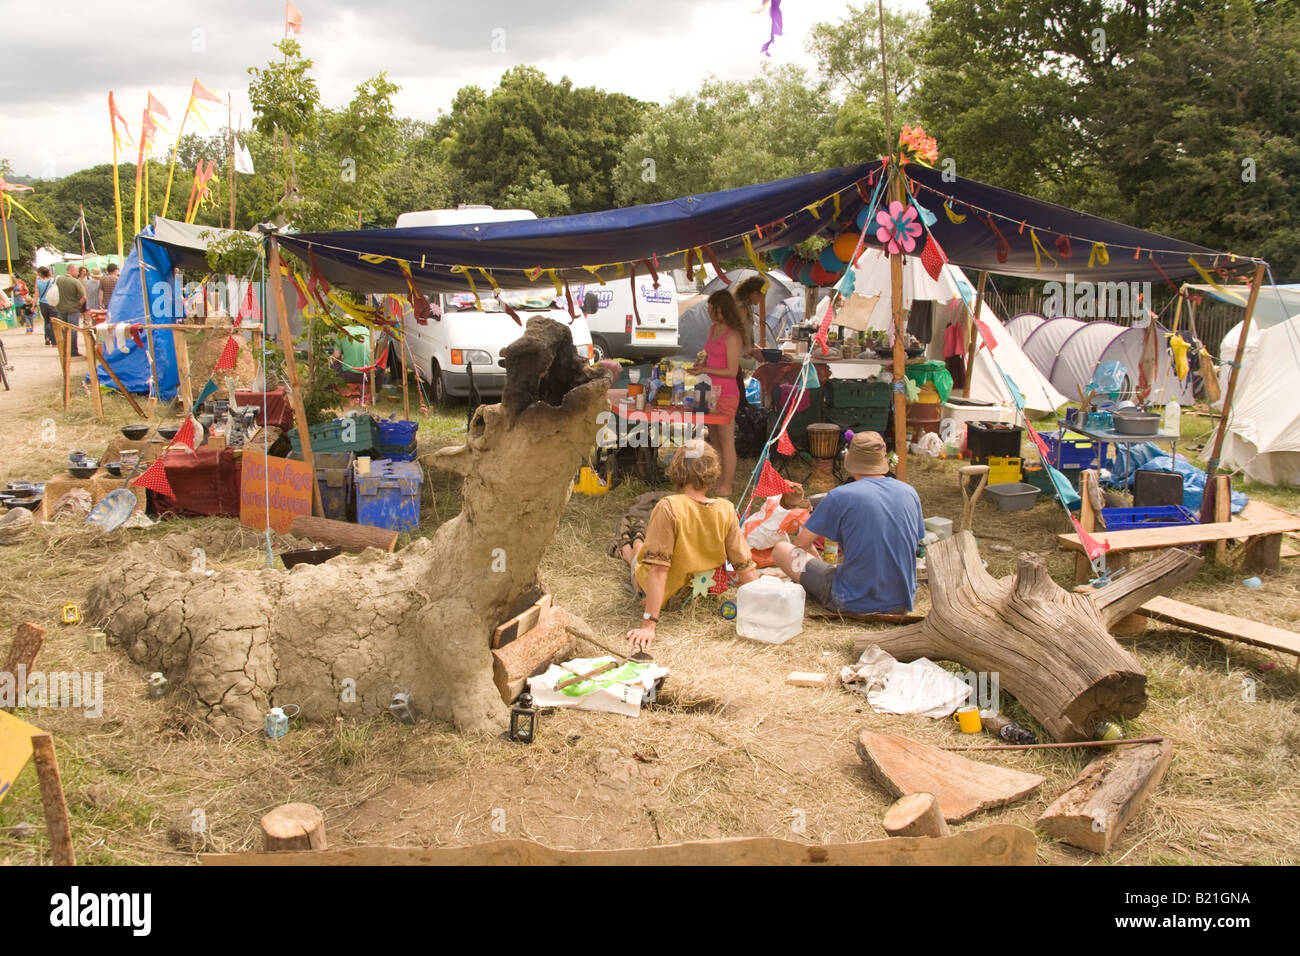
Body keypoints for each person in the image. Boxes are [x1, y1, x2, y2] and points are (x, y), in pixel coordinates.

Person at [615, 440, 759, 649]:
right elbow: (745, 567)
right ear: (712, 474)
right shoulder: (726, 510)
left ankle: (630, 541)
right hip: (696, 592)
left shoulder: (669, 507)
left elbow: (658, 570)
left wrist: (649, 625)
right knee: (642, 551)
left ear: (677, 471)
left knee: (638, 554)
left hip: (659, 591)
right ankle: (635, 537)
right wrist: (763, 608)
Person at [772, 431, 926, 615]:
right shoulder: (909, 492)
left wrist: (816, 563)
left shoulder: (840, 496)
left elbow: (801, 544)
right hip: (901, 602)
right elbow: (913, 542)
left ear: (851, 461)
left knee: (781, 549)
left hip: (850, 600)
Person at [688, 290, 746, 496]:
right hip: (709, 391)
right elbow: (711, 357)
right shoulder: (713, 329)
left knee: (726, 439)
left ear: (724, 309)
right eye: (709, 309)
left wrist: (705, 370)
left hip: (727, 393)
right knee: (714, 438)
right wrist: (701, 365)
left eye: (714, 309)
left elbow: (731, 371)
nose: (710, 312)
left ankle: (726, 485)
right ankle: (717, 479)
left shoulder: (733, 335)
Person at [53, 268, 85, 357]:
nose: (78, 273)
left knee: (63, 330)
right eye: (77, 271)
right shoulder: (75, 282)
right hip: (73, 309)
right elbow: (84, 297)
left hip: (60, 309)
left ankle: (64, 350)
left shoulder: (58, 280)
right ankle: (73, 351)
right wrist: (78, 305)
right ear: (71, 270)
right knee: (73, 330)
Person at [36, 267, 58, 346]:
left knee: (46, 321)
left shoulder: (38, 282)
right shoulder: (52, 281)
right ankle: (54, 341)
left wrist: (33, 305)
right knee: (53, 322)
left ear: (40, 273)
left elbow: (36, 295)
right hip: (52, 303)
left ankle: (47, 337)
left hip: (42, 303)